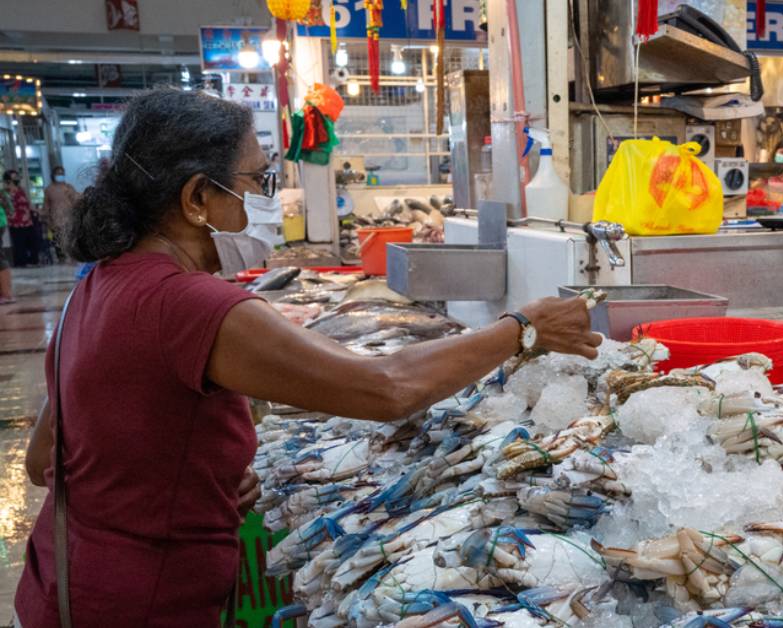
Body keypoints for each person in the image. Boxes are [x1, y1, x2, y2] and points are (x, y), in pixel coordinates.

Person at [15, 89, 602, 627]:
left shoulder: (95, 287)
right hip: (139, 604)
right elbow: (386, 388)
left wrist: (190, 482)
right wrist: (522, 328)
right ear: (197, 197)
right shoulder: (190, 304)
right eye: (257, 181)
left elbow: (44, 460)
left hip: (59, 586)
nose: (264, 202)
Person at [2, 170, 40, 267]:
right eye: (14, 177)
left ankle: (33, 261)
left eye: (17, 177)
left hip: (27, 221)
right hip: (15, 222)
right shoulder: (4, 193)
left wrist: (37, 211)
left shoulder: (21, 190)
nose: (16, 179)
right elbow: (6, 208)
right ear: (8, 180)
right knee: (19, 244)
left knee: (33, 241)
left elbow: (28, 203)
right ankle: (21, 263)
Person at [43, 166, 79, 258]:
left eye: (62, 173)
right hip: (56, 218)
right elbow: (46, 205)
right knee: (58, 240)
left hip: (69, 217)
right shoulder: (49, 189)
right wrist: (47, 219)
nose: (60, 175)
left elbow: (76, 200)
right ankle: (61, 257)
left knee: (71, 238)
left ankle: (72, 257)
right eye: (58, 173)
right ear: (53, 175)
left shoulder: (69, 187)